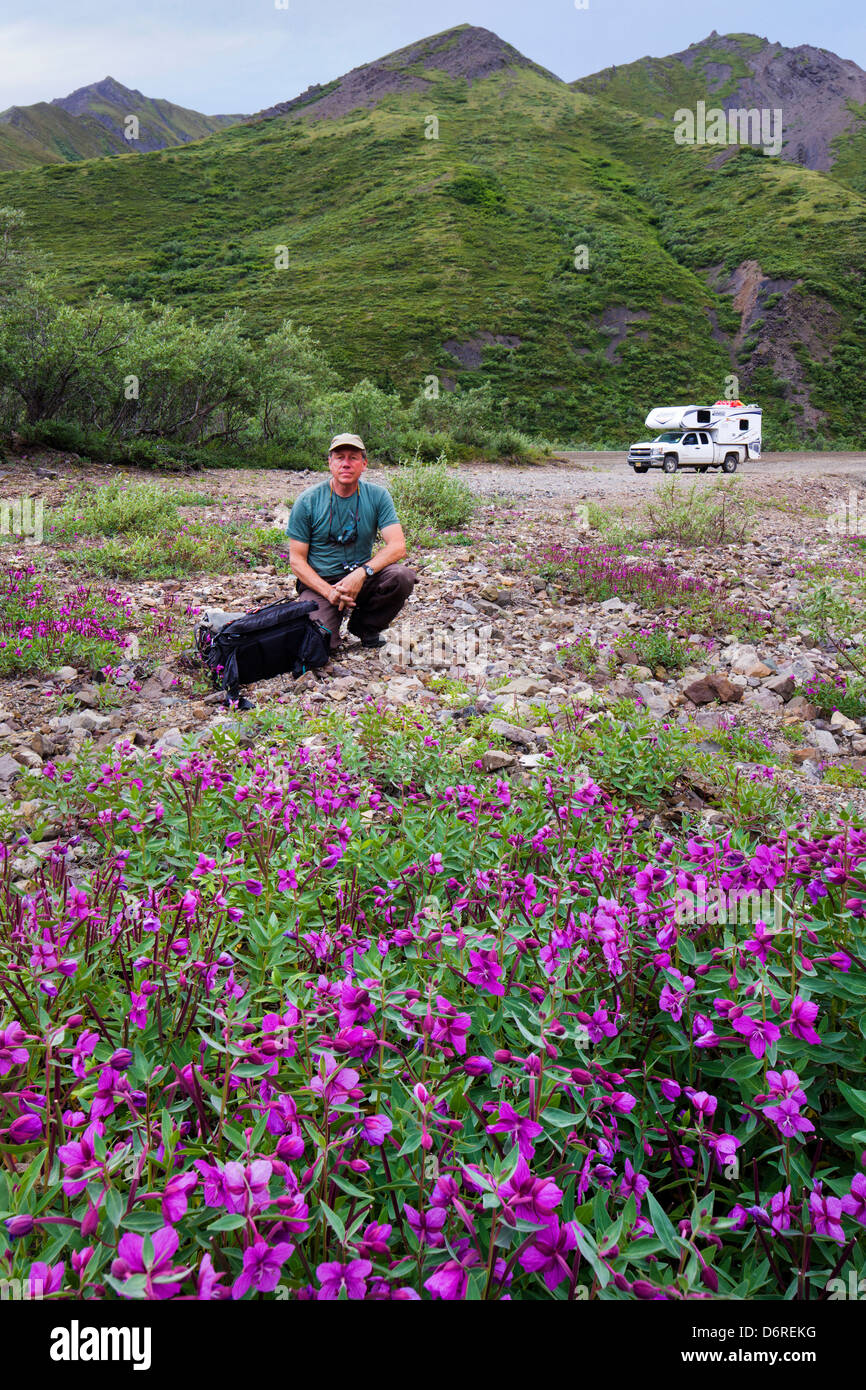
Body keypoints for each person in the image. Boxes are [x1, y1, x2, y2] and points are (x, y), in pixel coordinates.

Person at [286, 433, 417, 656]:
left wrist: (362, 573)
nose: (346, 463)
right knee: (319, 645)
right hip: (321, 583)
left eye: (353, 457)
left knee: (402, 577)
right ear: (330, 463)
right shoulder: (308, 500)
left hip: (362, 577)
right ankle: (330, 621)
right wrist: (328, 592)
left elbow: (398, 546)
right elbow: (296, 560)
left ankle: (365, 627)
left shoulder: (378, 496)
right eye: (339, 457)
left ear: (364, 464)